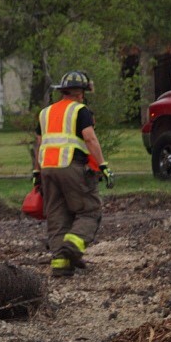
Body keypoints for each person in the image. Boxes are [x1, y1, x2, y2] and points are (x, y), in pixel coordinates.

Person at [33, 70, 113, 278]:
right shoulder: (80, 111)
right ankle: (73, 244)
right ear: (81, 93)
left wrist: (36, 172)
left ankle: (60, 264)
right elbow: (90, 139)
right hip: (71, 166)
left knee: (57, 216)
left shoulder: (45, 113)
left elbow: (39, 144)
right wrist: (103, 165)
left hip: (47, 170)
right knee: (90, 210)